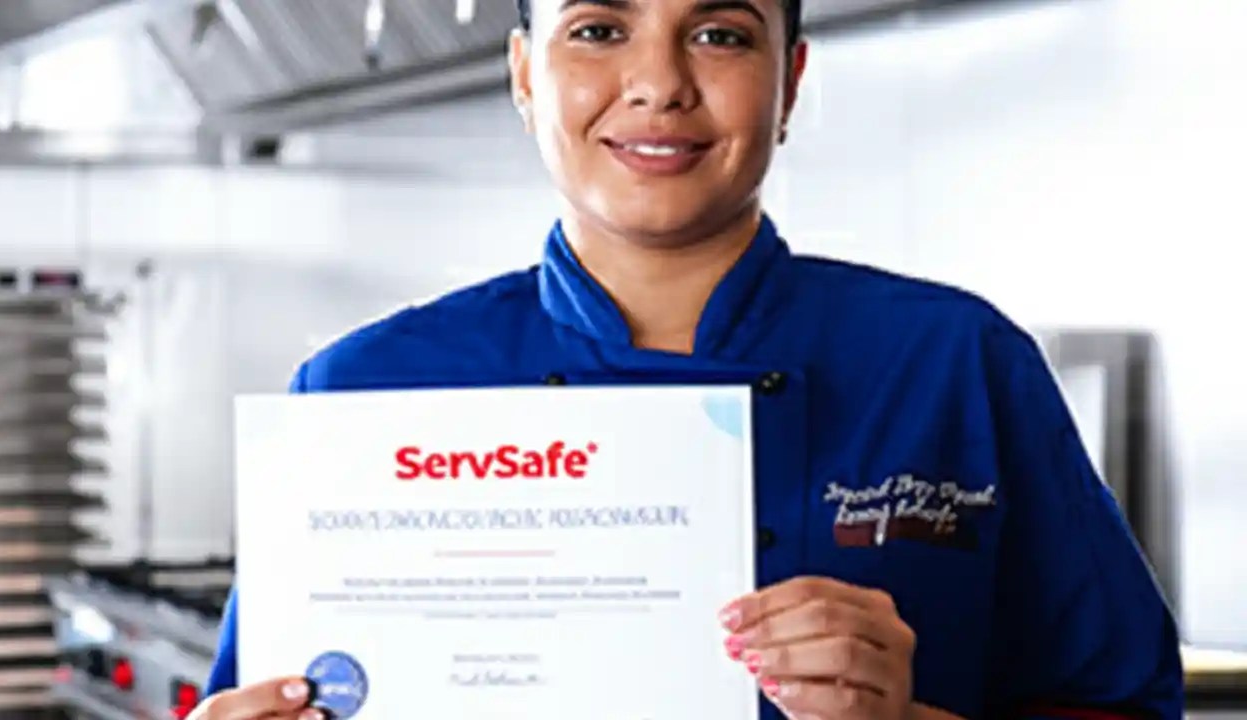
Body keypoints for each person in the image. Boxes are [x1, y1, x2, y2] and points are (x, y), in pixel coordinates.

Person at [192, 0, 1183, 718]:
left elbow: (1123, 709)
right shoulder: (362, 391)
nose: (659, 83)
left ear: (788, 81)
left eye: (718, 33)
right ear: (525, 76)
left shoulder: (953, 362)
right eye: (596, 29)